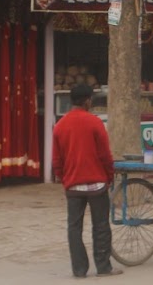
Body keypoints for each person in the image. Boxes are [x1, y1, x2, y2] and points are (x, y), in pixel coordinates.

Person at [51, 83, 120, 279]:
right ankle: (103, 267)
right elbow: (105, 155)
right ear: (88, 101)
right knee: (101, 226)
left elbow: (57, 160)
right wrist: (109, 176)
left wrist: (64, 179)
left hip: (73, 184)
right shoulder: (94, 122)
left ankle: (79, 270)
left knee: (74, 227)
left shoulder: (60, 125)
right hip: (97, 184)